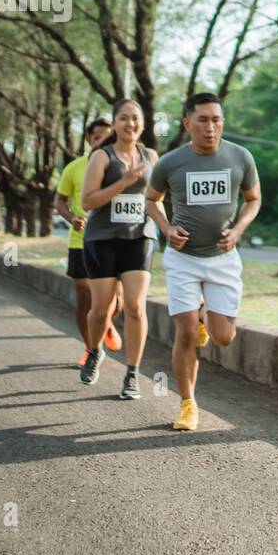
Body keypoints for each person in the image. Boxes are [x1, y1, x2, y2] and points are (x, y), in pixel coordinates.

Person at [146, 93, 261, 431]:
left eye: (217, 120)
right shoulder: (170, 162)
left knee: (223, 337)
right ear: (187, 123)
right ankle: (187, 405)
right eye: (203, 120)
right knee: (184, 333)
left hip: (223, 258)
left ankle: (204, 318)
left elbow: (254, 199)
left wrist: (238, 230)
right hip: (183, 258)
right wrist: (166, 228)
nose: (211, 127)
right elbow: (151, 199)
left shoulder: (240, 157)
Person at [79, 99, 158, 399]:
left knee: (137, 307)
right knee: (101, 310)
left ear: (143, 123)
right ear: (115, 123)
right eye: (124, 118)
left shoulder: (150, 156)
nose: (130, 124)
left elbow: (157, 196)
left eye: (135, 118)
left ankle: (132, 374)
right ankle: (94, 350)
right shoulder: (102, 157)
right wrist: (123, 182)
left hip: (139, 238)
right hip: (102, 239)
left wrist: (164, 225)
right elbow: (88, 202)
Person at [53, 118, 123, 367]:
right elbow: (59, 200)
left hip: (113, 241)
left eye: (107, 138)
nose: (102, 143)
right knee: (84, 297)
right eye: (98, 139)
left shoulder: (119, 166)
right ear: (88, 139)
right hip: (80, 242)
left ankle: (106, 322)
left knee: (118, 301)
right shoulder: (74, 168)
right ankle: (90, 348)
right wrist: (72, 218)